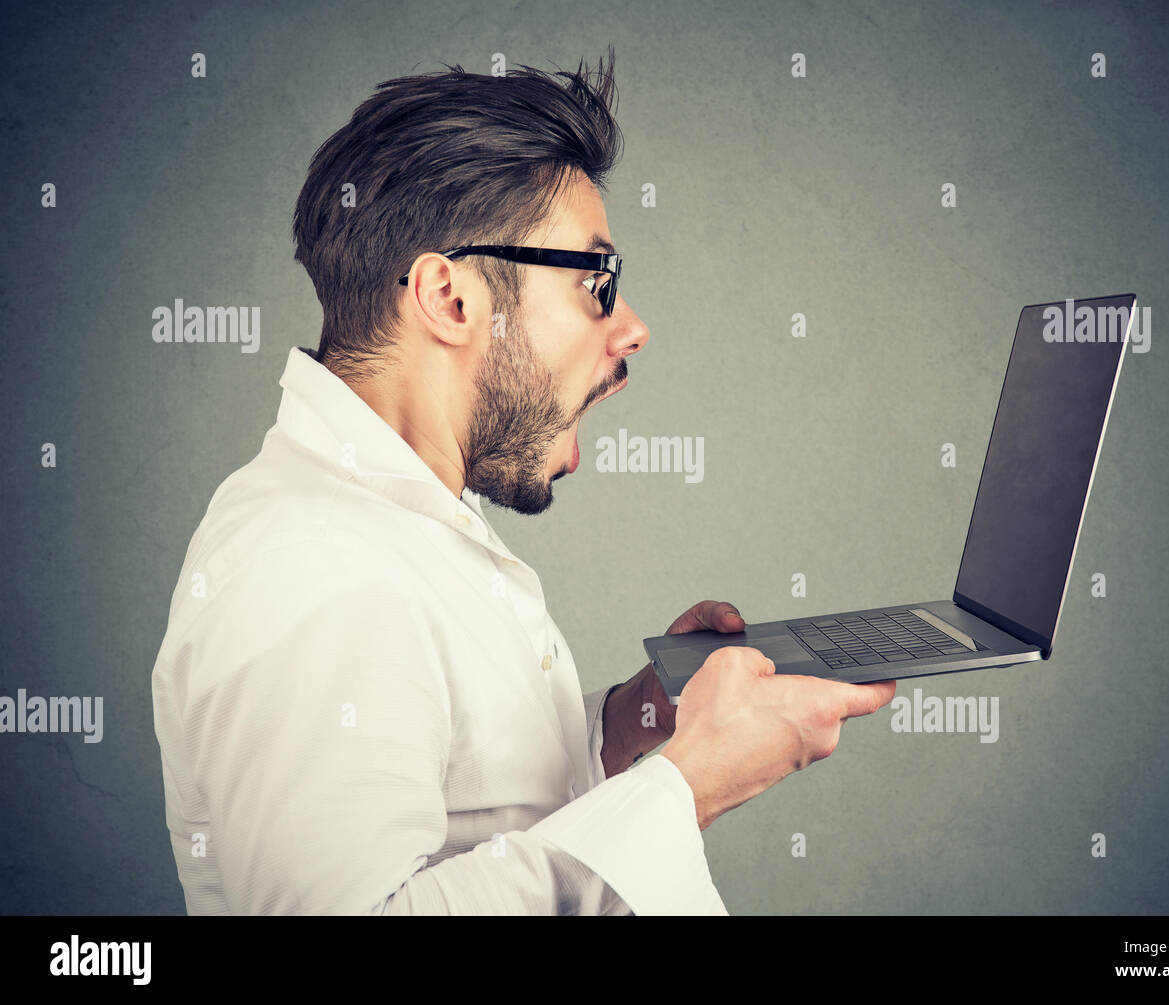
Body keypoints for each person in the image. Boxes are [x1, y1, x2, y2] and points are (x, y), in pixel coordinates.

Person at [149, 47, 896, 916]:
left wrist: (631, 727)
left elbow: (477, 818)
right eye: (596, 283)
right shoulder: (310, 565)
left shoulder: (397, 523)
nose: (634, 328)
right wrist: (688, 786)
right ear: (451, 299)